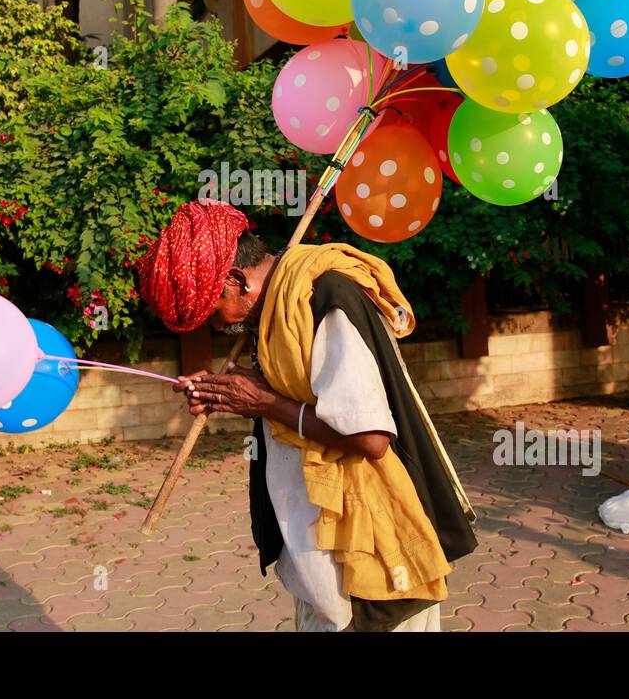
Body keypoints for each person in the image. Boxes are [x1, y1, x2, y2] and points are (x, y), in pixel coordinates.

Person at [135, 199, 477, 632]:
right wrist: (232, 395)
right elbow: (302, 399)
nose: (216, 327)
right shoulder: (276, 309)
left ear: (237, 280)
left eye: (212, 311)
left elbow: (369, 437)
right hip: (315, 552)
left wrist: (265, 403)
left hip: (369, 550)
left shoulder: (324, 297)